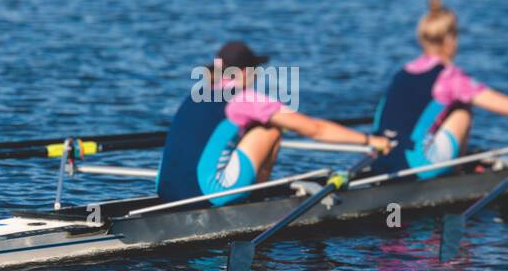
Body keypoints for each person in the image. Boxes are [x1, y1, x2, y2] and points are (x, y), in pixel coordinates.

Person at [372, 0, 508, 176]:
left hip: (380, 159)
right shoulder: (451, 78)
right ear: (450, 39)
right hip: (418, 166)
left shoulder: (402, 73)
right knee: (462, 110)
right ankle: (456, 175)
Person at [156, 41, 391, 204]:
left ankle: (238, 190)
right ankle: (258, 200)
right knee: (271, 129)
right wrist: (371, 140)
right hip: (208, 193)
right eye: (255, 70)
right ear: (244, 72)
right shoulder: (243, 98)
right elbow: (315, 129)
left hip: (165, 192)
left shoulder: (196, 94)